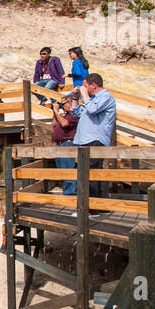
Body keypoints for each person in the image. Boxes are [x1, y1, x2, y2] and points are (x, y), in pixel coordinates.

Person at [66, 73, 117, 213]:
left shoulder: (106, 97)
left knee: (90, 175)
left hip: (95, 140)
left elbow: (93, 109)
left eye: (85, 85)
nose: (84, 88)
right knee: (88, 173)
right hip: (86, 140)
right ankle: (98, 208)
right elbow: (76, 112)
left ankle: (92, 210)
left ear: (93, 85)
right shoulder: (92, 100)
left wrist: (85, 96)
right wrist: (76, 97)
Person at [52, 97, 78, 195]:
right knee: (62, 171)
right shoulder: (65, 115)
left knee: (68, 170)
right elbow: (54, 124)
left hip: (68, 144)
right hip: (60, 145)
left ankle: (70, 194)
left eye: (64, 103)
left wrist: (57, 112)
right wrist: (54, 113)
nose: (63, 105)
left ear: (71, 103)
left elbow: (64, 124)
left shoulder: (74, 114)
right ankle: (68, 192)